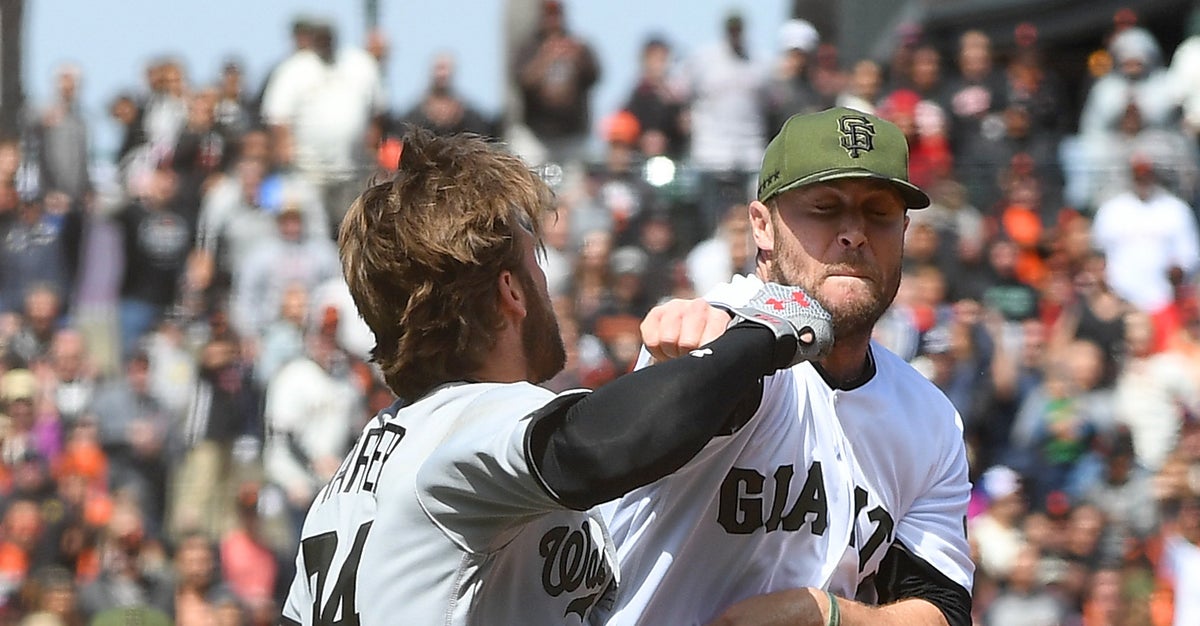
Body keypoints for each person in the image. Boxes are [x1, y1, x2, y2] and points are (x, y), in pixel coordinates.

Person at [278, 128, 835, 625]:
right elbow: (594, 447)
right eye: (532, 264)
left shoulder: (356, 470)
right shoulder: (472, 417)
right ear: (511, 291)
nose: (547, 286)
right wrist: (768, 332)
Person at [596, 107, 973, 626]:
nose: (854, 234)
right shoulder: (726, 339)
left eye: (878, 212)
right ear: (762, 226)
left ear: (904, 230)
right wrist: (684, 354)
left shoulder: (930, 418)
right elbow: (708, 358)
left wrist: (828, 615)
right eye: (824, 207)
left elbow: (944, 610)